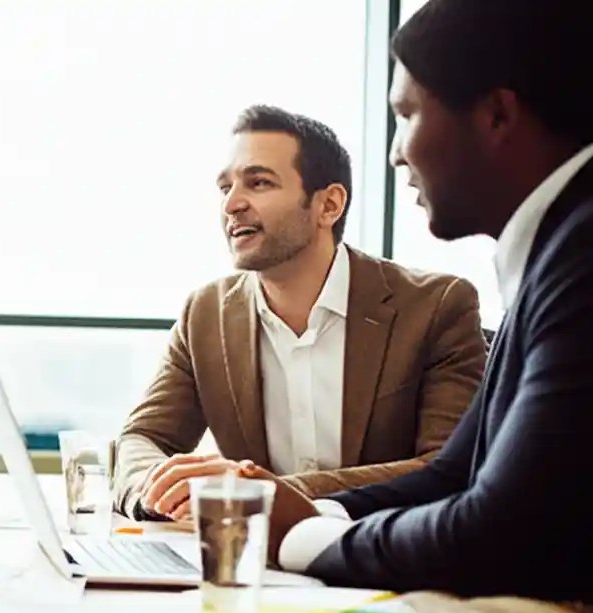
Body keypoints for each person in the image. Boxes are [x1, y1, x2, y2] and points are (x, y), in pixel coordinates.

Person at [268, 0, 593, 601]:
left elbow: (498, 533)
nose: (396, 153)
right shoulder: (558, 245)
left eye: (407, 114)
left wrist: (306, 541)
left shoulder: (582, 255)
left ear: (497, 114)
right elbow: (456, 475)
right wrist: (310, 512)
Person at [113, 105, 487, 521]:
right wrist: (157, 492)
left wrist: (263, 493)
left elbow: (447, 469)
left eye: (258, 183)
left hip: (380, 556)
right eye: (225, 188)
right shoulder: (205, 314)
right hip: (258, 565)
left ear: (329, 205)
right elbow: (142, 438)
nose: (232, 204)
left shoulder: (437, 307)